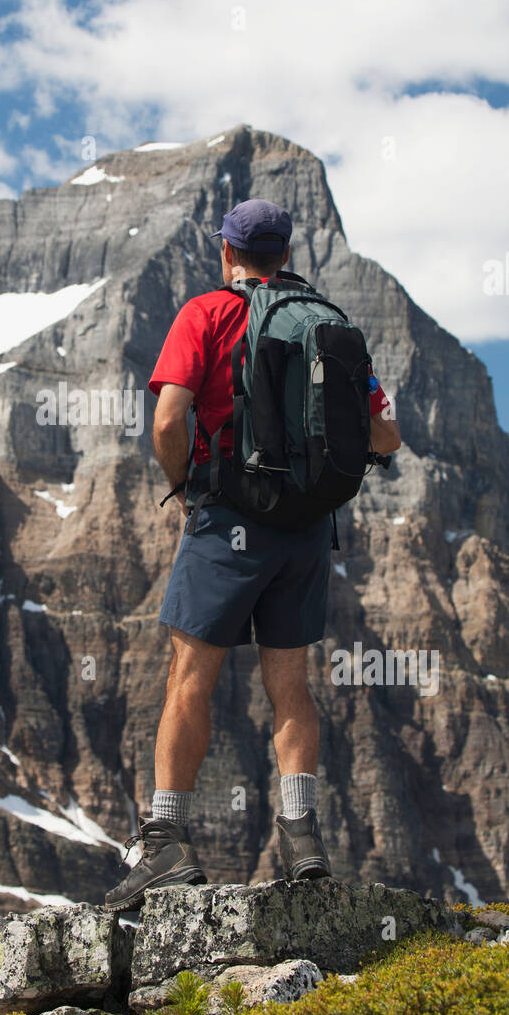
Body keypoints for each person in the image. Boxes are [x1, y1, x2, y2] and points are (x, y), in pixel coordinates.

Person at [105, 199, 401, 910]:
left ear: (228, 255)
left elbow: (169, 417)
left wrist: (184, 489)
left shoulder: (205, 314)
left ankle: (166, 844)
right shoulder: (326, 323)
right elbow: (385, 437)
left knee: (189, 680)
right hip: (304, 529)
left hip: (228, 522)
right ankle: (302, 840)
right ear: (286, 252)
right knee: (291, 688)